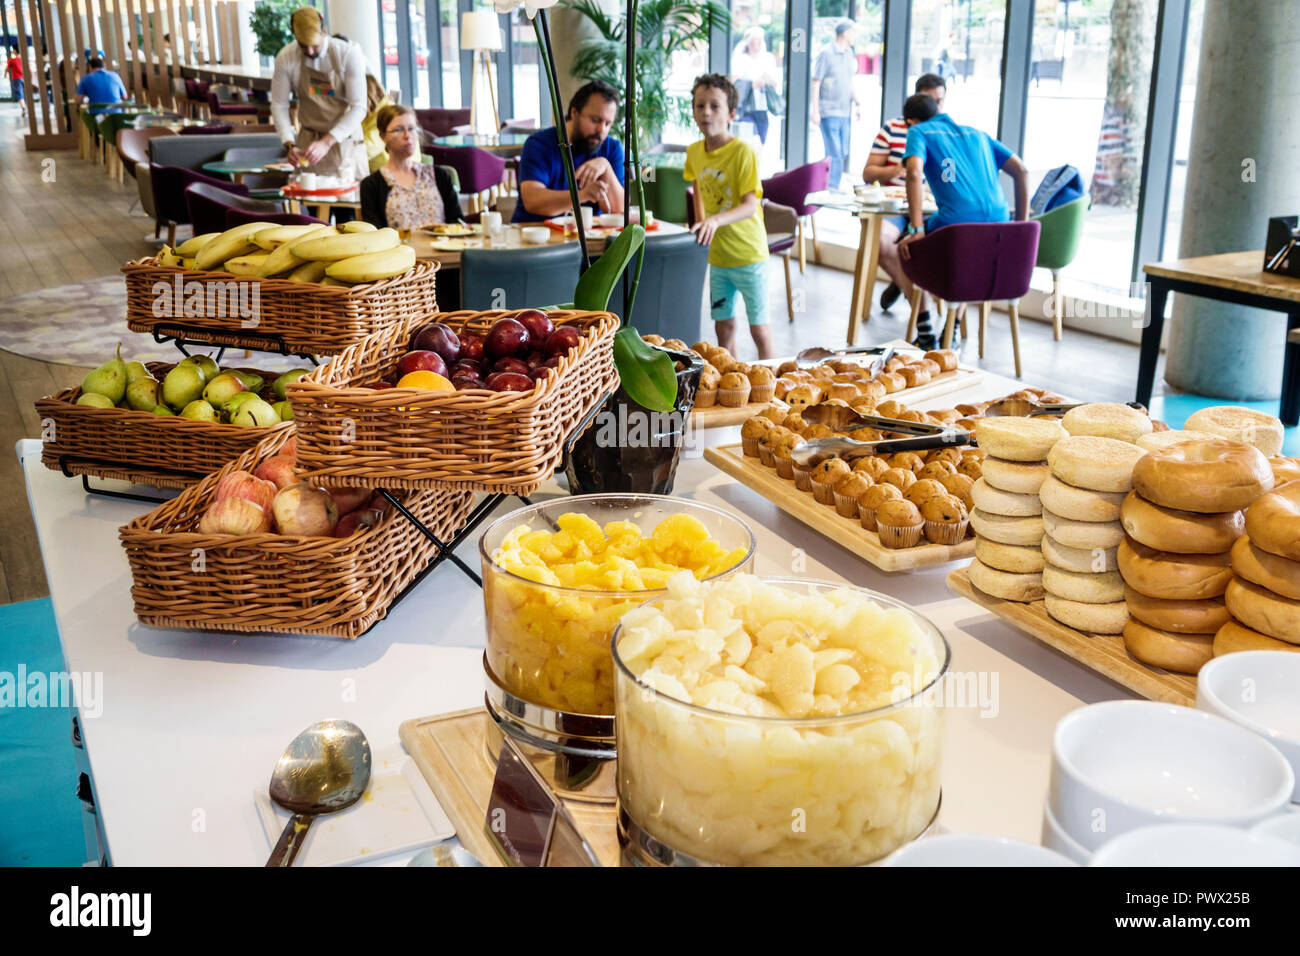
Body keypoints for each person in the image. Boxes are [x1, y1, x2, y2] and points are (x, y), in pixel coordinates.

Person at [898, 93, 1030, 350]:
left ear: (910, 122)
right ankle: (954, 327)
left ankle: (925, 331)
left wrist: (915, 229)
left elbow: (913, 172)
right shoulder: (977, 133)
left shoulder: (919, 131)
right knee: (969, 258)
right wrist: (1021, 228)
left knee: (904, 249)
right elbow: (1022, 171)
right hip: (1000, 227)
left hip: (956, 225)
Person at [684, 73, 773, 360]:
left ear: (731, 113)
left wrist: (715, 221)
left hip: (750, 255)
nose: (706, 112)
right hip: (718, 258)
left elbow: (751, 205)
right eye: (700, 105)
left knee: (759, 331)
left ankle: (774, 389)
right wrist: (700, 223)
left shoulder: (743, 152)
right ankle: (731, 385)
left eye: (714, 106)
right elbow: (697, 189)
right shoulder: (694, 152)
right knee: (724, 328)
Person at [863, 73, 945, 313]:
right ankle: (920, 305)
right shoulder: (893, 128)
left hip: (932, 207)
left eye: (940, 102)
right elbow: (868, 174)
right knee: (879, 241)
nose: (935, 108)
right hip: (897, 205)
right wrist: (897, 169)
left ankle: (902, 282)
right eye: (930, 101)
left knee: (951, 242)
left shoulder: (946, 132)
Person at [271, 6, 369, 183]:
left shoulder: (347, 54)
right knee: (310, 206)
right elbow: (279, 104)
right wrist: (289, 143)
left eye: (314, 46)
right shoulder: (286, 57)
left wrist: (327, 142)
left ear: (324, 32)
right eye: (303, 46)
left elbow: (359, 107)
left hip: (344, 143)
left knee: (346, 208)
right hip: (308, 142)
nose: (309, 52)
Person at [512, 80, 625, 223]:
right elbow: (533, 201)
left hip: (590, 240)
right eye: (596, 120)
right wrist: (581, 195)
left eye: (607, 124)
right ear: (574, 112)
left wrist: (606, 167)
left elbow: (620, 209)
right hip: (536, 236)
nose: (601, 130)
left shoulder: (611, 148)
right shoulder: (539, 144)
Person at [360, 104, 463, 231]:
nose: (407, 136)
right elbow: (376, 235)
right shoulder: (371, 185)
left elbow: (457, 223)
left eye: (411, 129)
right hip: (400, 250)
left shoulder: (439, 175)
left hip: (445, 247)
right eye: (398, 130)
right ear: (383, 136)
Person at [810, 19, 861, 190]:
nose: (855, 36)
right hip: (829, 111)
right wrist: (815, 111)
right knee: (835, 152)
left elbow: (849, 81)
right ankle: (832, 187)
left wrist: (857, 101)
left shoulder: (848, 54)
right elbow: (816, 81)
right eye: (853, 32)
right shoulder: (826, 53)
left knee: (843, 152)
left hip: (844, 111)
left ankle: (830, 184)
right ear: (845, 33)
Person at [730, 27, 781, 146]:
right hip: (745, 108)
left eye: (760, 39)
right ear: (748, 41)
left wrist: (766, 81)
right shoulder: (739, 59)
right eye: (755, 39)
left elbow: (774, 82)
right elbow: (734, 81)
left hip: (762, 107)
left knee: (761, 141)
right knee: (752, 140)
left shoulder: (768, 58)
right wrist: (752, 83)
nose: (758, 42)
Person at [5, 49, 25, 115]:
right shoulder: (22, 59)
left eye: (13, 50)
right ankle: (25, 107)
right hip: (23, 78)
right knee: (23, 93)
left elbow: (7, 68)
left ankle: (23, 108)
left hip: (16, 78)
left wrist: (5, 74)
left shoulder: (12, 60)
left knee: (19, 94)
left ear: (15, 51)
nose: (12, 51)